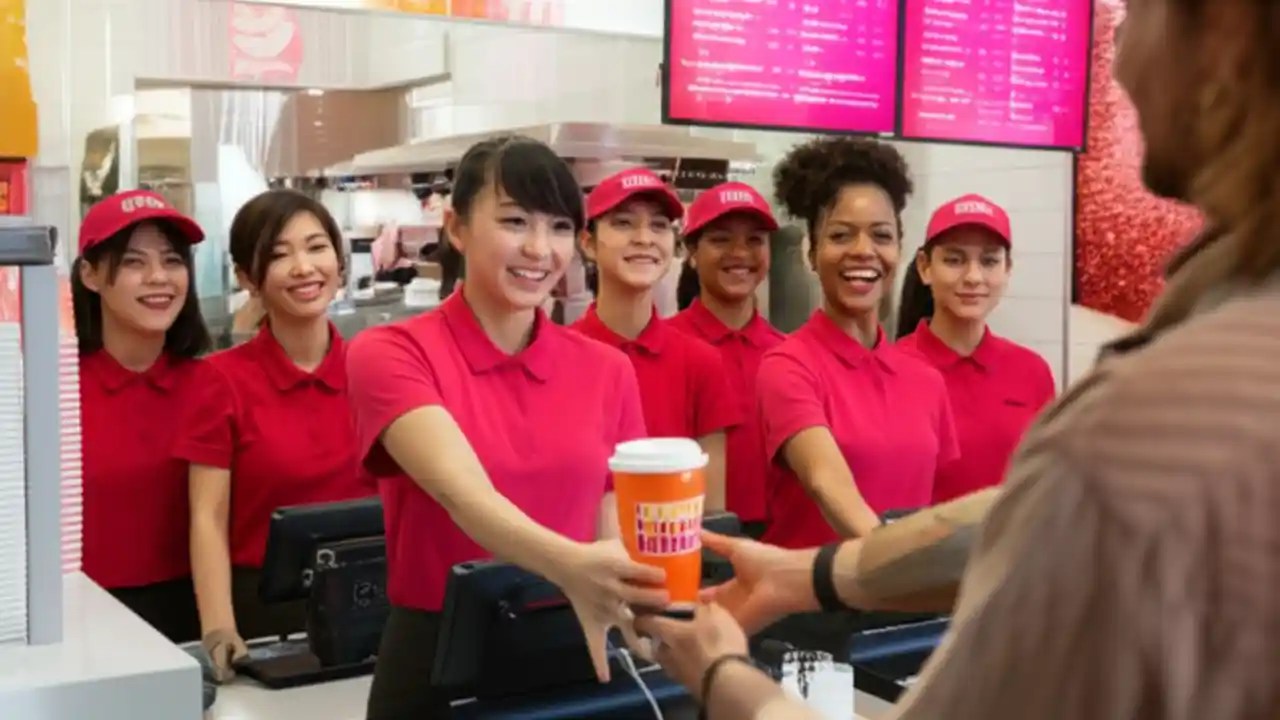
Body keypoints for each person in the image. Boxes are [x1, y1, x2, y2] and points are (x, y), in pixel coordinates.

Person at [639, 0, 1280, 716]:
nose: (1118, 50)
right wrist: (816, 576)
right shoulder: (1202, 370)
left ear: (1224, 32)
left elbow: (1037, 522)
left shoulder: (1132, 427)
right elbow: (1017, 523)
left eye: (1140, 13)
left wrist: (721, 672)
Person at [344, 136, 668, 720]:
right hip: (442, 655)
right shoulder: (390, 354)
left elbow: (612, 520)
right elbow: (464, 496)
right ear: (457, 228)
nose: (540, 249)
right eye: (515, 221)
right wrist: (573, 566)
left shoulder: (607, 370)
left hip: (578, 642)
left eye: (561, 227)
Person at [174, 190, 368, 681]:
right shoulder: (220, 380)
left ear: (340, 263)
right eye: (279, 254)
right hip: (266, 618)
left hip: (373, 602)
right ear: (247, 278)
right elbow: (207, 515)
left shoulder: (379, 369)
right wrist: (218, 628)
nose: (304, 267)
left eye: (316, 247)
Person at [759, 137, 958, 550]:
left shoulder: (926, 379)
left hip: (906, 609)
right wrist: (906, 568)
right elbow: (826, 483)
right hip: (815, 606)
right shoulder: (787, 366)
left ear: (900, 250)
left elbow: (934, 508)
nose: (863, 251)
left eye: (881, 236)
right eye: (841, 235)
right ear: (810, 254)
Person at [74, 189, 212, 643]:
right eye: (133, 263)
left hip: (198, 614)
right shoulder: (55, 389)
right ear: (91, 275)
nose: (159, 278)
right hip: (82, 617)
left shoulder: (213, 384)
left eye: (172, 261)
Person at [572, 167, 740, 511]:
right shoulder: (559, 355)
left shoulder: (700, 362)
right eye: (623, 223)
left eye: (659, 225)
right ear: (588, 243)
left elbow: (712, 511)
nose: (644, 238)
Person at [895, 195, 1056, 503]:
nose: (973, 277)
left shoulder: (1032, 371)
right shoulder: (888, 368)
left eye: (989, 261)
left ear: (1007, 269)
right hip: (915, 550)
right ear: (925, 268)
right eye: (954, 260)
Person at [667, 182, 786, 537]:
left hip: (781, 546)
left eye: (754, 240)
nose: (740, 253)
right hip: (694, 541)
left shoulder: (790, 354)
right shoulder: (667, 347)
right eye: (720, 239)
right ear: (691, 251)